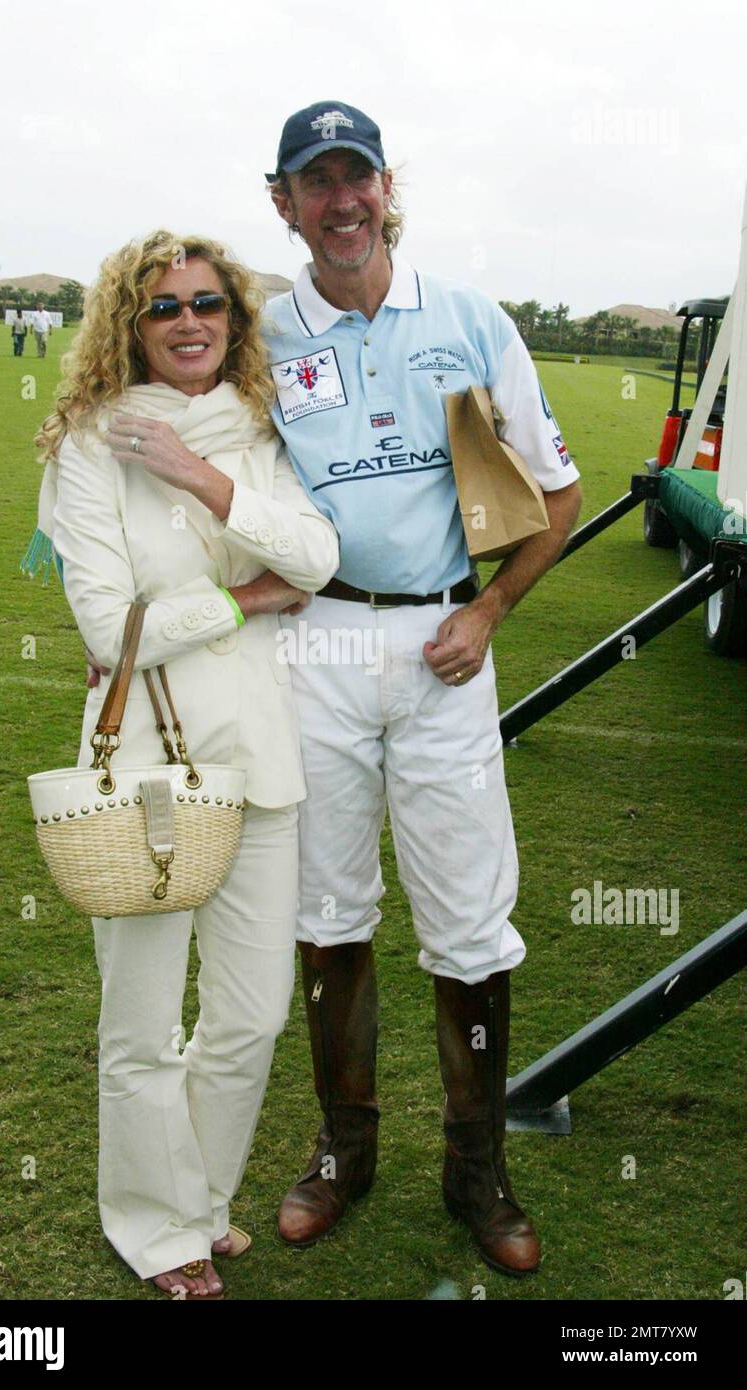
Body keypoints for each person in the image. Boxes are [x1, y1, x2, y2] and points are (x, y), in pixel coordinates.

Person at [262, 101, 583, 1276]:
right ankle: (345, 1151)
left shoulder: (466, 320)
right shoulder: (257, 334)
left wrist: (491, 610)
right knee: (325, 915)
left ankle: (476, 1166)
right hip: (317, 646)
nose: (341, 201)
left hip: (447, 643)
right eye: (316, 182)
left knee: (469, 925)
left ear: (388, 188)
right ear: (283, 201)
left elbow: (556, 499)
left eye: (359, 179)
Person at [30, 230, 339, 1298]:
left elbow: (321, 555)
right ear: (131, 323)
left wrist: (204, 480)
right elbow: (112, 629)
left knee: (250, 1012)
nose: (191, 321)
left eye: (210, 302)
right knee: (144, 1020)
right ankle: (153, 1229)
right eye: (165, 307)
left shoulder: (256, 431)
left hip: (259, 759)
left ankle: (200, 1205)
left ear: (236, 319)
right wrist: (247, 600)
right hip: (147, 769)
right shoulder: (89, 441)